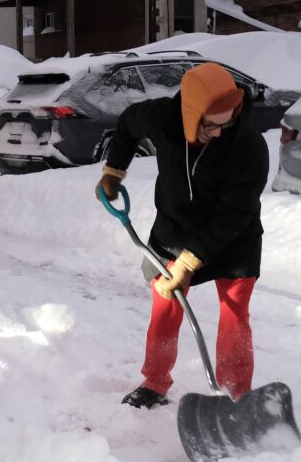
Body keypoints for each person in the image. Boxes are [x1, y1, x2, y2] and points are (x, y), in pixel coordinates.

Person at [97, 62, 270, 409]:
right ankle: (154, 383)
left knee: (234, 314)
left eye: (227, 122)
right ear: (190, 113)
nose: (219, 133)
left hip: (233, 239)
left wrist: (190, 263)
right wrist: (114, 170)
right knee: (165, 305)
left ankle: (235, 395)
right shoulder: (163, 118)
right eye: (210, 124)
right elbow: (127, 124)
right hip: (174, 231)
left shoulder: (250, 148)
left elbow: (234, 214)